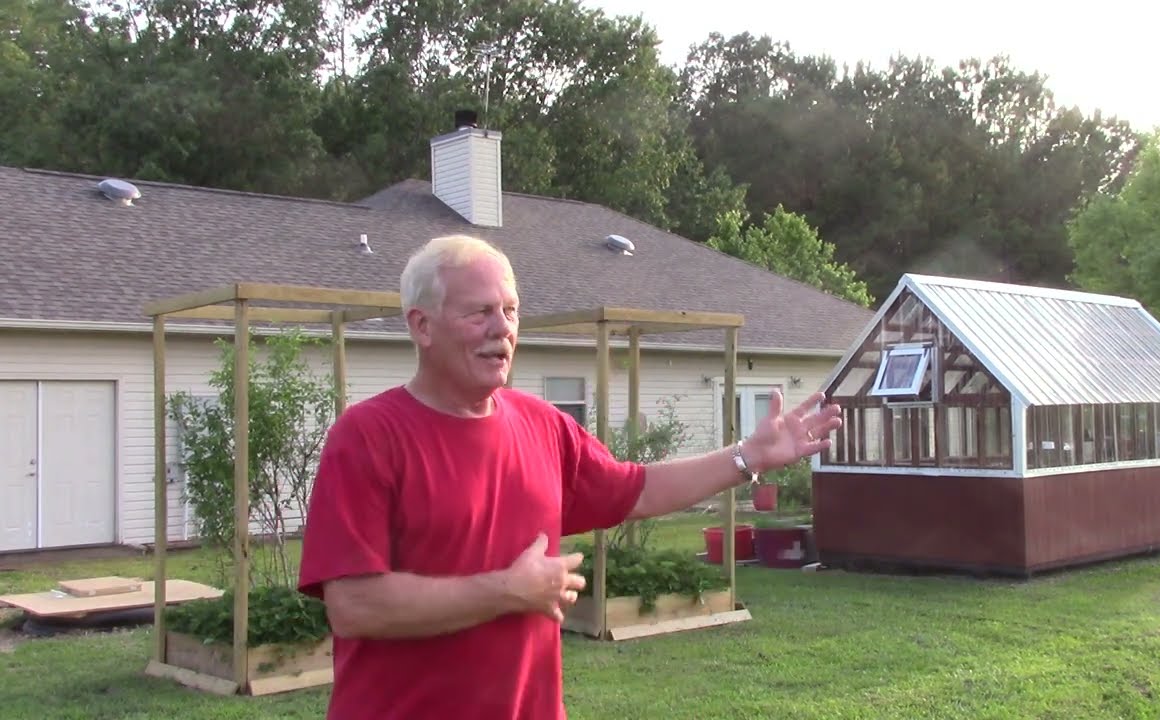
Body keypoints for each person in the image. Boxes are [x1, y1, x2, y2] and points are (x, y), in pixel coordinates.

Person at [297, 234, 842, 720]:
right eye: (479, 313)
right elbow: (354, 606)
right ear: (421, 325)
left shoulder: (542, 426)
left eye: (510, 311)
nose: (502, 330)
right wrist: (508, 591)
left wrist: (748, 455)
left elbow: (638, 489)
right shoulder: (368, 437)